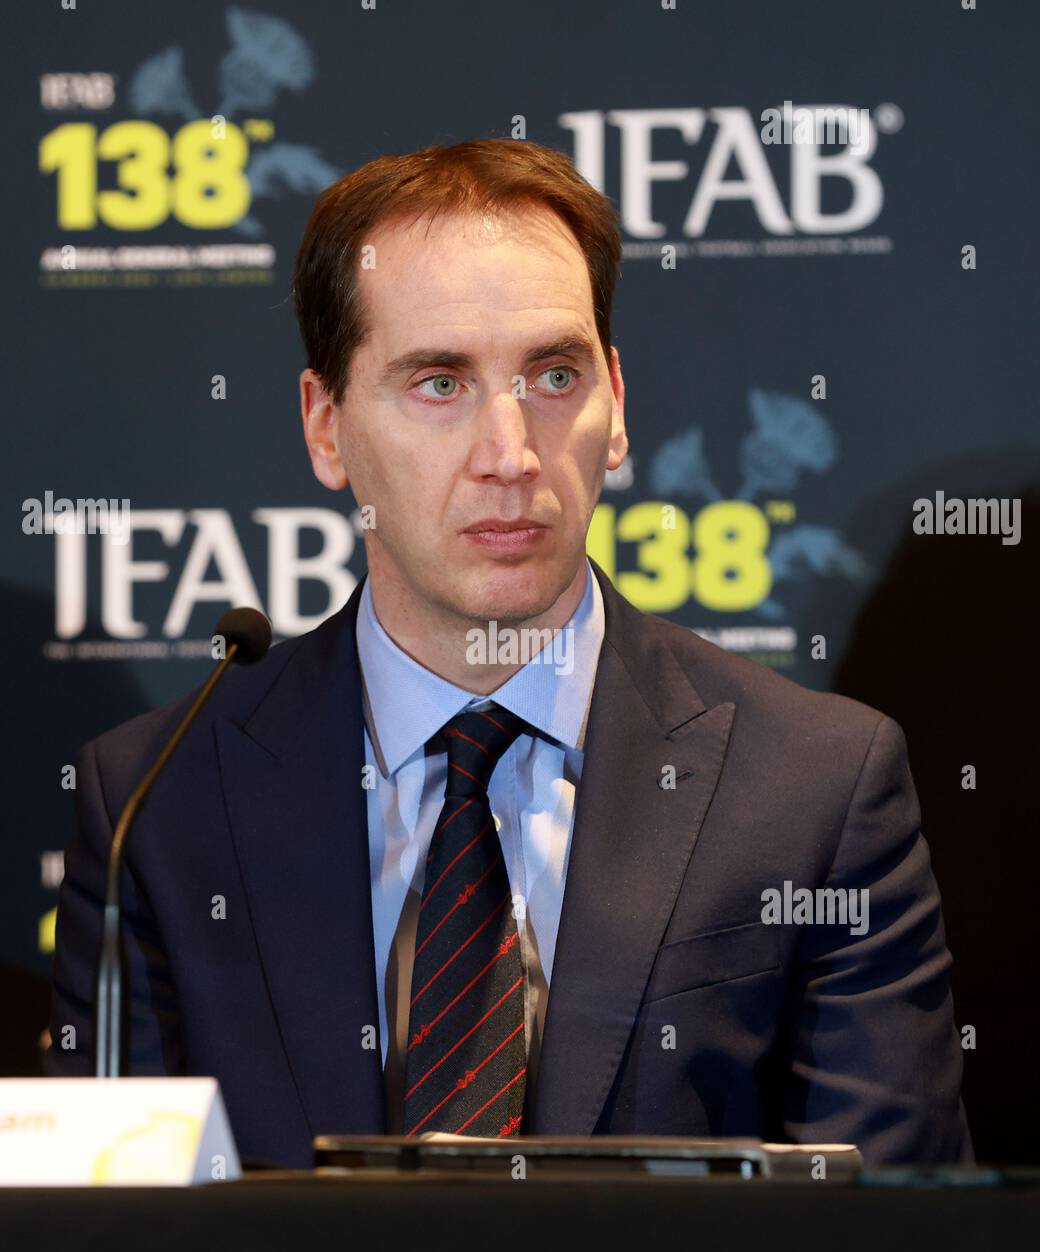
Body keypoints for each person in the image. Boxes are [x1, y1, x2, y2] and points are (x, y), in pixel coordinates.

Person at [47, 139, 973, 1169]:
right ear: (326, 427)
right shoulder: (157, 805)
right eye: (438, 383)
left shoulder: (813, 787)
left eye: (553, 374)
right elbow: (113, 1250)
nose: (510, 453)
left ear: (614, 405)